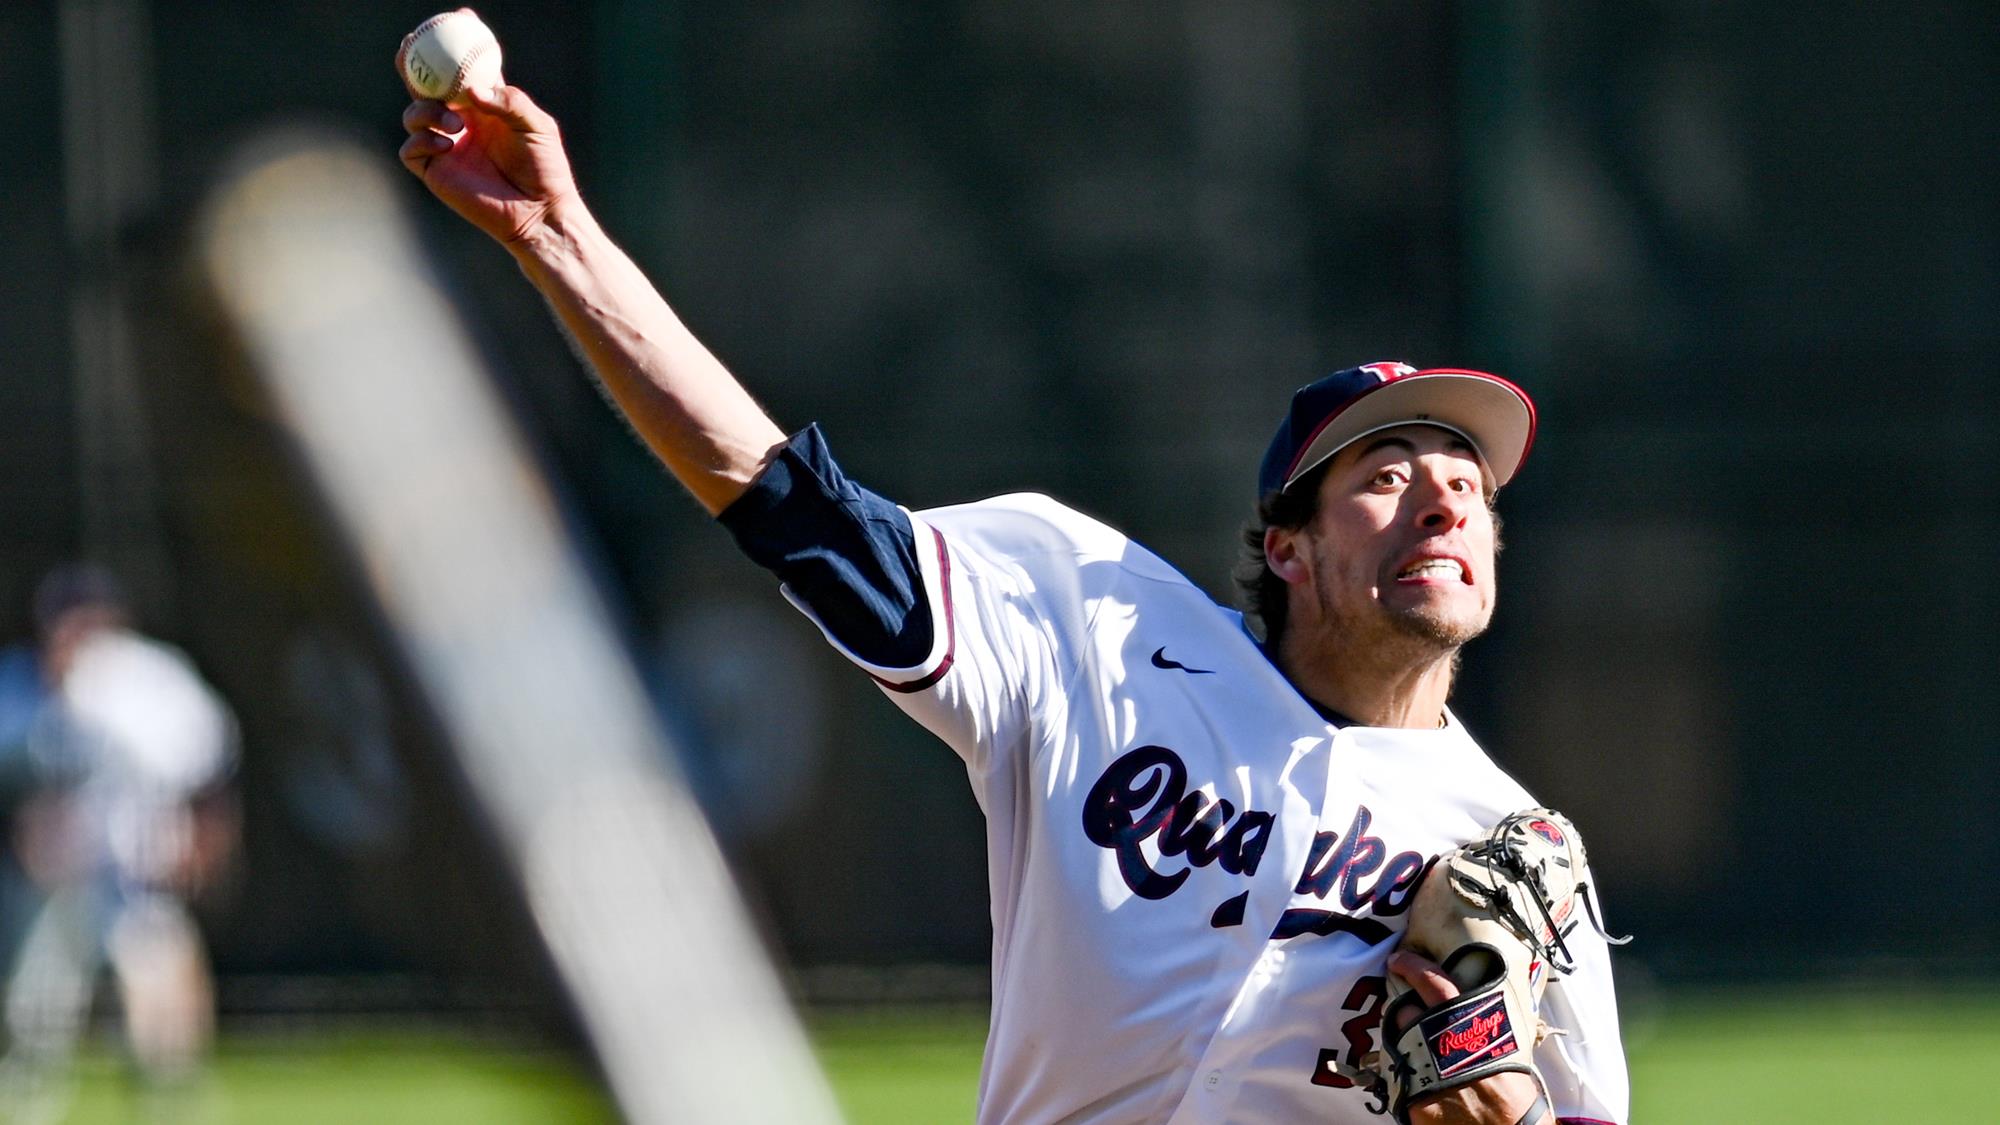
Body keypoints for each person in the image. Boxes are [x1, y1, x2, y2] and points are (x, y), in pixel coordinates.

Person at [398, 81, 1628, 1125]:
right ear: (1287, 548)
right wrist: (558, 237)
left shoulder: (1518, 857)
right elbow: (793, 508)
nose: (1440, 505)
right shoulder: (1093, 627)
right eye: (1385, 478)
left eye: (1465, 484)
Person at [0, 566, 238, 1122]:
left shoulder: (152, 686)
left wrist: (207, 846)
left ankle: (170, 1096)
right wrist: (17, 836)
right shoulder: (18, 688)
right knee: (37, 991)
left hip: (135, 862)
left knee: (154, 973)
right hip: (52, 872)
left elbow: (211, 775)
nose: (74, 640)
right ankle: (29, 1095)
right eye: (63, 627)